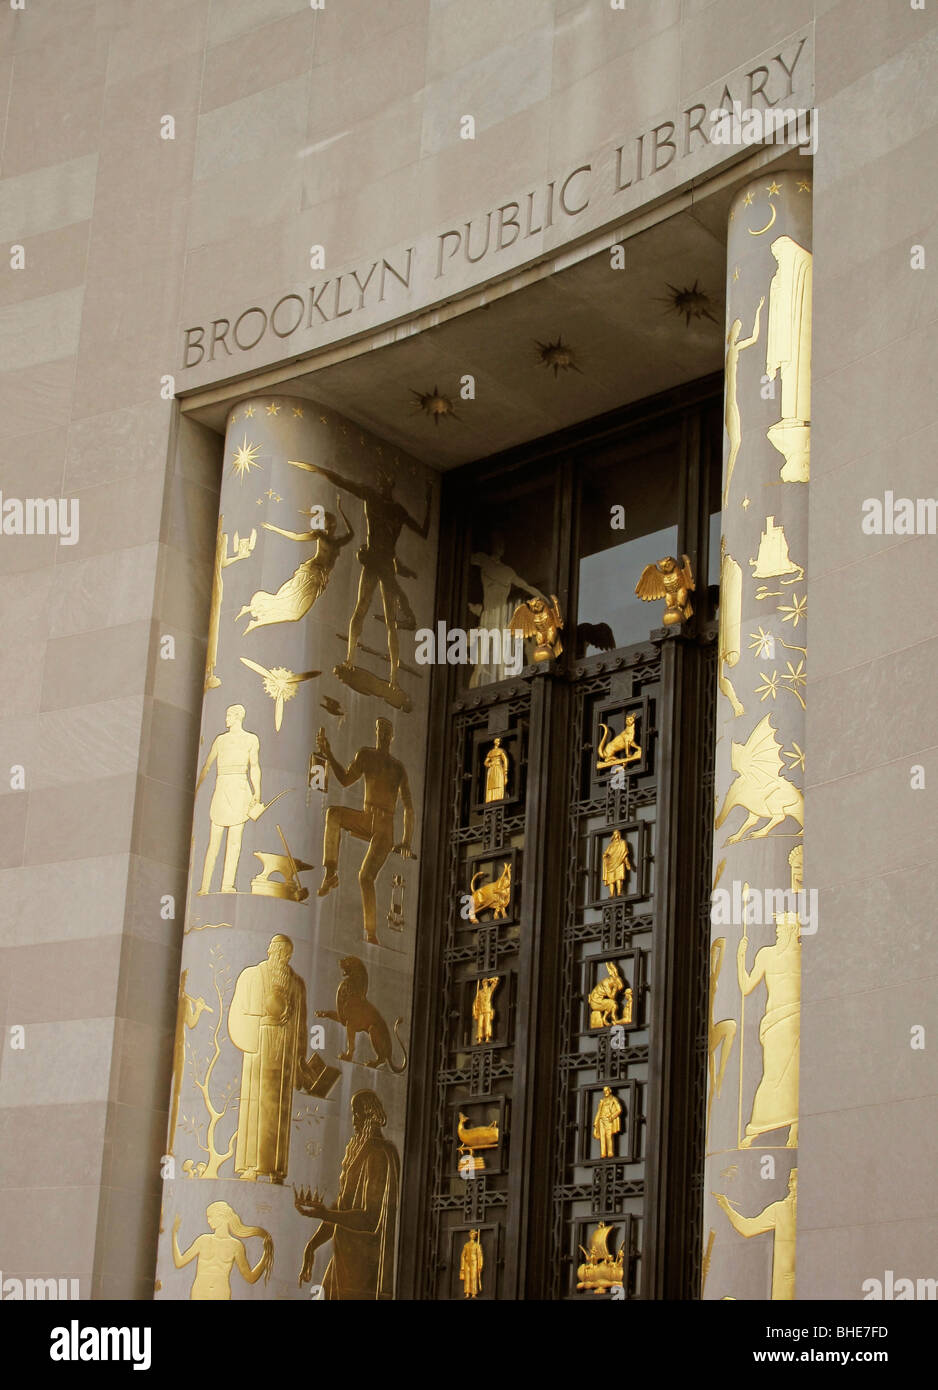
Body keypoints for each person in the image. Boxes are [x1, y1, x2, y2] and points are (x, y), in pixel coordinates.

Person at [286, 458, 431, 693]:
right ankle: (352, 659)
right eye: (381, 480)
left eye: (384, 480)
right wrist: (321, 470)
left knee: (385, 618)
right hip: (376, 561)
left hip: (382, 563)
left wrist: (429, 497)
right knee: (364, 610)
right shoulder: (379, 500)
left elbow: (424, 533)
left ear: (389, 484)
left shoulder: (390, 506)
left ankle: (392, 677)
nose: (382, 483)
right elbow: (342, 481)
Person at [317, 718, 416, 944]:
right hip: (365, 816)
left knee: (365, 877)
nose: (382, 735)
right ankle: (330, 873)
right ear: (376, 732)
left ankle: (370, 932)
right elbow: (344, 780)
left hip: (384, 826)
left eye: (387, 732)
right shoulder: (366, 756)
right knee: (333, 814)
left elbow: (408, 808)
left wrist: (406, 841)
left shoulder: (397, 768)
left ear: (392, 737)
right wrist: (328, 754)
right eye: (380, 731)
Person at [296, 1090, 400, 1300]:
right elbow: (342, 1206)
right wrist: (312, 1245)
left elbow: (370, 1219)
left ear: (370, 1115)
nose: (354, 1120)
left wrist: (326, 1214)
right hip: (344, 1264)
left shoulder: (378, 1155)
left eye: (357, 1113)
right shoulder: (361, 1150)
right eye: (354, 1113)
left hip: (363, 1274)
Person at [228, 935, 314, 1182]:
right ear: (270, 951)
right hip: (260, 1045)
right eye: (278, 951)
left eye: (286, 953)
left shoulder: (296, 984)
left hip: (285, 1050)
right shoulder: (253, 976)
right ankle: (250, 1166)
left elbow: (302, 1024)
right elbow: (240, 1012)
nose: (282, 957)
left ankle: (276, 1169)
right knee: (255, 1104)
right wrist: (260, 1023)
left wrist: (300, 1058)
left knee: (280, 1110)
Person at [237, 497, 353, 633]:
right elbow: (296, 536)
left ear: (333, 524)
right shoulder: (320, 535)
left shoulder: (338, 542)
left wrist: (340, 509)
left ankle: (254, 616)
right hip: (311, 573)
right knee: (292, 607)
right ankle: (254, 616)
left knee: (295, 612)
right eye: (325, 522)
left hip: (320, 579)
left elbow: (352, 533)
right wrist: (275, 529)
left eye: (328, 522)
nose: (326, 524)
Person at [738, 913, 800, 1148]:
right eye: (777, 929)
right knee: (773, 1074)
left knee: (796, 1074)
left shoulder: (805, 955)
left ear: (793, 930)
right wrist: (740, 957)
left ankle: (794, 1130)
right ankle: (756, 1127)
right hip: (775, 1022)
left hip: (797, 1019)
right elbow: (746, 987)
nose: (777, 932)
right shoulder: (767, 954)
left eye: (782, 928)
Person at [196, 705, 261, 895]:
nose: (226, 719)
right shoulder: (221, 740)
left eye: (228, 716)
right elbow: (207, 765)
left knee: (234, 842)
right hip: (222, 787)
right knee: (214, 842)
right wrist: (197, 787)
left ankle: (226, 885)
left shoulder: (251, 739)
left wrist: (258, 792)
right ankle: (205, 886)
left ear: (237, 717)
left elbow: (255, 767)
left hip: (240, 788)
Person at [715, 1168, 797, 1300]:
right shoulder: (780, 1209)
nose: (789, 1185)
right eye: (789, 1180)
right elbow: (748, 1228)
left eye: (793, 1180)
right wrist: (726, 1207)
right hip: (785, 1285)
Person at [172, 1201, 272, 1301]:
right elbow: (179, 1262)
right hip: (199, 1291)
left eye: (211, 1217)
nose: (208, 1221)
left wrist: (266, 1255)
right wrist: (174, 1234)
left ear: (221, 1216)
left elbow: (250, 1277)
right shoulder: (203, 1240)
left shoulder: (236, 1245)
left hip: (221, 1292)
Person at [593, 1086, 623, 1159]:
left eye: (606, 1090)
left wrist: (612, 1117)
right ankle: (603, 1153)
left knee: (609, 1136)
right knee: (602, 1136)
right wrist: (595, 1122)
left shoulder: (614, 1099)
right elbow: (599, 1111)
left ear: (610, 1091)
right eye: (604, 1091)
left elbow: (619, 1110)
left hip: (608, 1119)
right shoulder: (602, 1101)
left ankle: (610, 1152)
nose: (605, 1092)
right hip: (601, 1119)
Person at [459, 1230, 484, 1298]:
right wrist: (462, 1266)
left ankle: (473, 1293)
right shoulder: (466, 1245)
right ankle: (467, 1292)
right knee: (467, 1278)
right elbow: (463, 1255)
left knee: (473, 1278)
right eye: (472, 1234)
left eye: (474, 1235)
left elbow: (480, 1255)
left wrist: (480, 1265)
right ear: (469, 1235)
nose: (473, 1236)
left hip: (474, 1263)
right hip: (467, 1263)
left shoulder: (477, 1245)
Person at [483, 738, 509, 802]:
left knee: (499, 782)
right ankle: (491, 797)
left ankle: (499, 796)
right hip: (492, 770)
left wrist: (505, 771)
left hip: (498, 768)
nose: (498, 742)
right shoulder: (491, 752)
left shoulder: (501, 750)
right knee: (491, 785)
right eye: (497, 741)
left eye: (499, 741)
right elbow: (485, 762)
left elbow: (505, 760)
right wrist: (490, 764)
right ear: (495, 742)